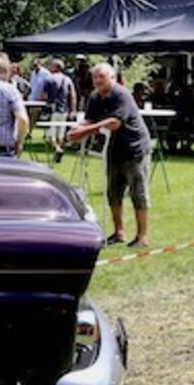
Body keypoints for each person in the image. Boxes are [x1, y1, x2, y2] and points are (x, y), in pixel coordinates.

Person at [68, 62, 153, 247]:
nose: (97, 81)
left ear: (112, 78)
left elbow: (114, 122)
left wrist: (85, 131)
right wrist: (75, 129)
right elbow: (89, 119)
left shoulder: (120, 94)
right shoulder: (94, 97)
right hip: (115, 149)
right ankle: (119, 233)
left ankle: (142, 237)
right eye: (95, 77)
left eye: (102, 77)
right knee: (113, 193)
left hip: (135, 148)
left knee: (138, 193)